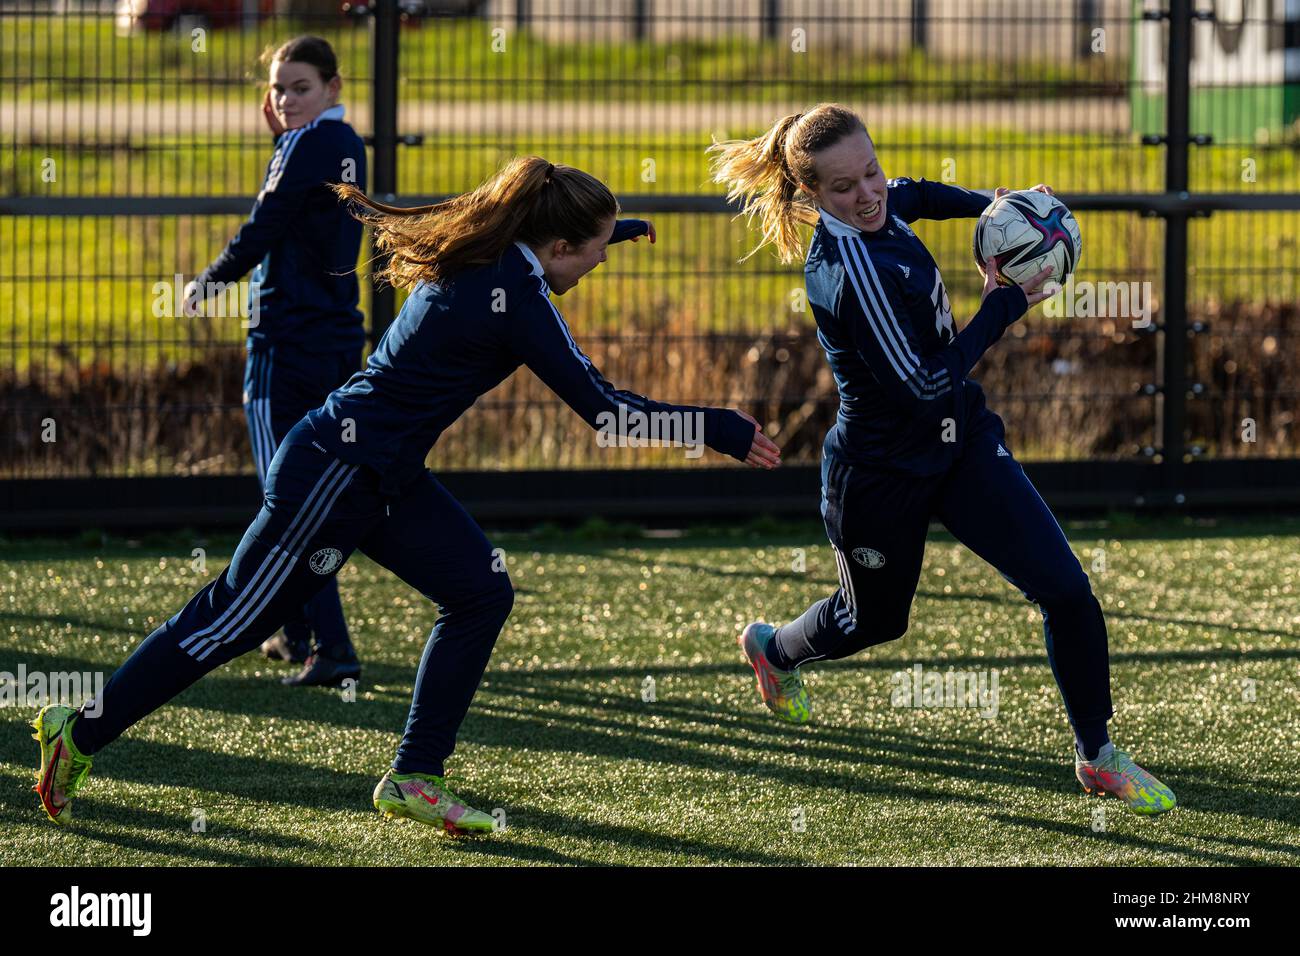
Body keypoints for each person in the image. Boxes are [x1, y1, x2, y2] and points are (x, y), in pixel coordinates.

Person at [32, 156, 782, 834]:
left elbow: (555, 259)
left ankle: (416, 775)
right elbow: (606, 413)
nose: (594, 264)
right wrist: (716, 426)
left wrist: (613, 231)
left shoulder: (493, 251)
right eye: (591, 250)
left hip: (382, 477)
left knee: (480, 593)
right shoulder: (516, 293)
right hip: (331, 473)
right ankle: (81, 728)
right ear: (555, 248)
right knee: (226, 622)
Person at [709, 103, 1175, 815]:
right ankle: (773, 649)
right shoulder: (845, 271)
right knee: (873, 623)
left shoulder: (879, 201)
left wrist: (997, 206)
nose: (868, 195)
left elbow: (916, 194)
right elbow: (925, 385)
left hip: (960, 445)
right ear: (812, 197)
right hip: (881, 476)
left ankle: (1097, 755)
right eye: (844, 188)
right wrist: (1003, 305)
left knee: (1066, 589)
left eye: (871, 171)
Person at [184, 36, 366, 687]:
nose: (286, 99)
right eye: (278, 88)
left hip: (286, 346)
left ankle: (332, 646)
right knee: (311, 493)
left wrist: (206, 282)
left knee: (286, 501)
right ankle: (296, 632)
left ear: (333, 89)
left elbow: (263, 227)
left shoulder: (305, 144)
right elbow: (298, 219)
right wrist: (278, 145)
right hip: (337, 341)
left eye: (301, 87)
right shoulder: (345, 143)